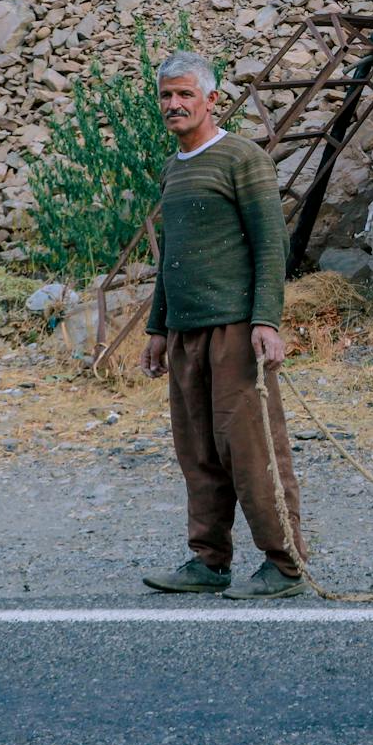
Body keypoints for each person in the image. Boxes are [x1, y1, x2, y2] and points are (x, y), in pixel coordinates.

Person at [137, 50, 310, 600]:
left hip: (235, 330)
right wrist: (158, 328)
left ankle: (285, 567)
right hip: (186, 334)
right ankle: (208, 562)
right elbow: (171, 258)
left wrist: (266, 320)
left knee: (251, 449)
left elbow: (270, 244)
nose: (174, 104)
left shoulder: (243, 158)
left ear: (211, 100)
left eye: (185, 94)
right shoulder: (175, 166)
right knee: (198, 454)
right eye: (166, 95)